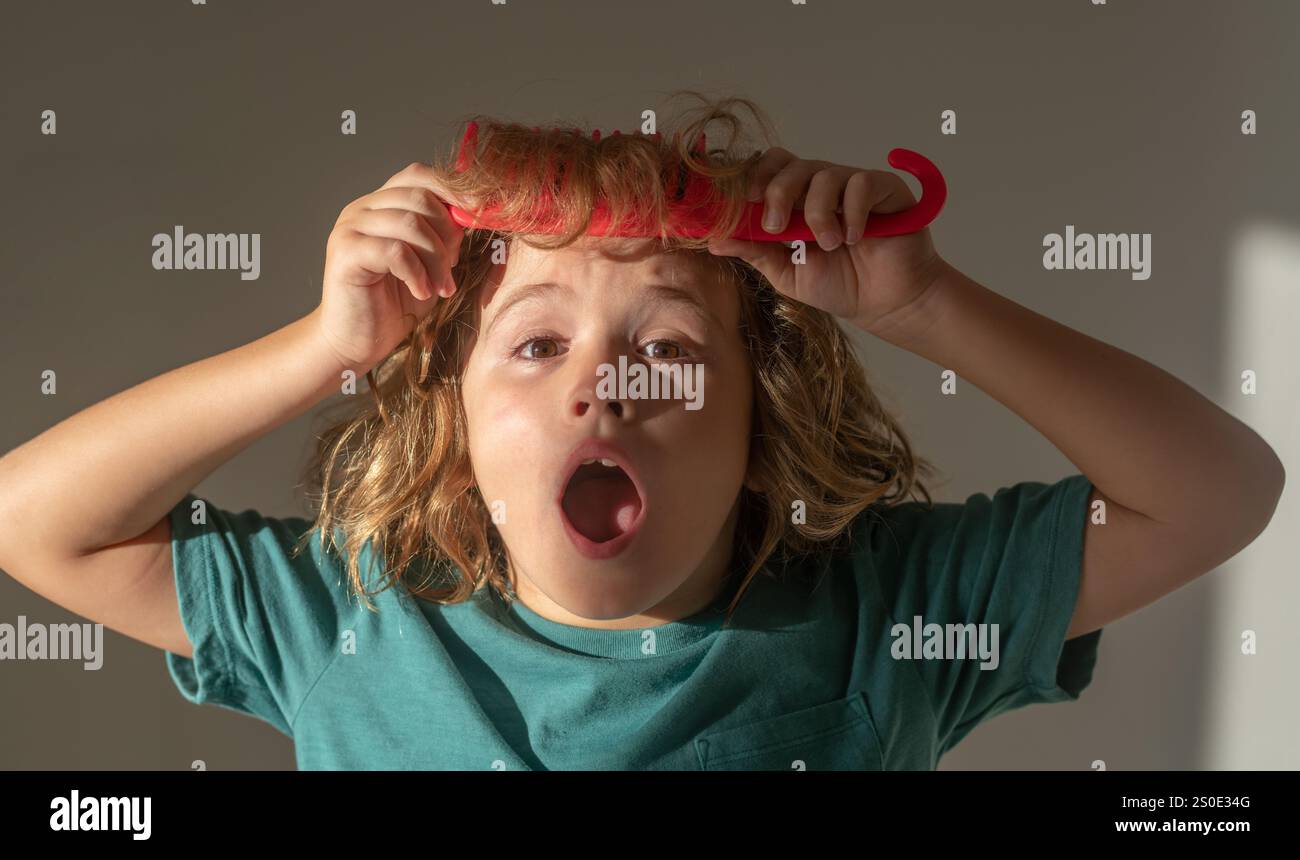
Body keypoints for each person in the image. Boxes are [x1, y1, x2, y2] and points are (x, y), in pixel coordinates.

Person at [0, 93, 1283, 770]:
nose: (600, 390)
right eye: (536, 343)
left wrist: (928, 303)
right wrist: (322, 345)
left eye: (668, 349)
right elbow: (32, 519)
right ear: (450, 418)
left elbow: (1221, 490)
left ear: (756, 420)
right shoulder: (348, 617)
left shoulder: (887, 607)